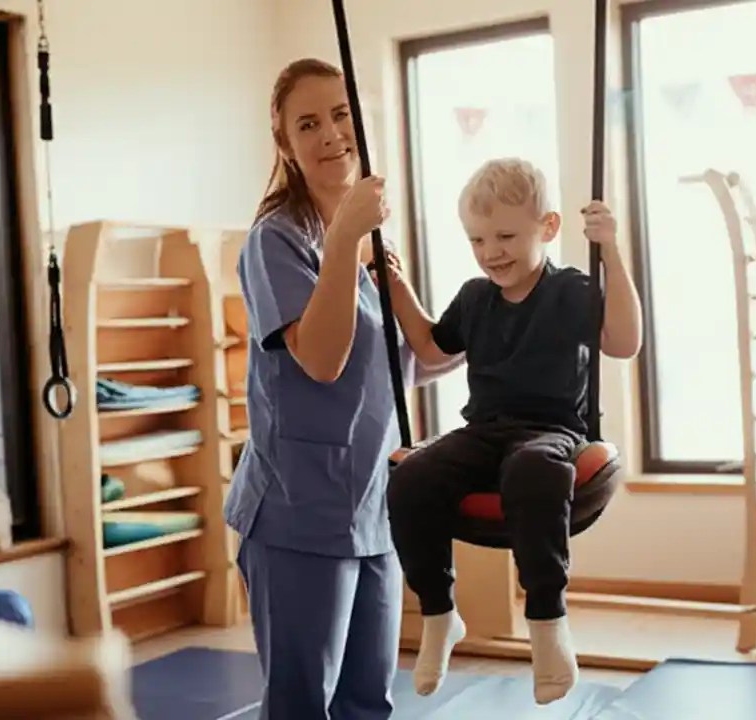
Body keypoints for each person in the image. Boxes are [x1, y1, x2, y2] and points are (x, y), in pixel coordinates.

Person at [224, 58, 460, 719]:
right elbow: (323, 360)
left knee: (367, 702)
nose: (329, 134)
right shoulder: (275, 241)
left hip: (373, 510)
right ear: (286, 146)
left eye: (341, 115)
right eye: (308, 124)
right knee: (304, 705)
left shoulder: (373, 244)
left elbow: (427, 357)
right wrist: (346, 238)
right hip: (297, 512)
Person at [383, 157, 643, 704]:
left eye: (505, 235)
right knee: (412, 474)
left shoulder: (569, 290)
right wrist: (396, 283)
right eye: (477, 239)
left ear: (547, 228)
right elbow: (432, 346)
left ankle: (547, 626)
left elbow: (623, 341)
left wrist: (611, 249)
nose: (490, 252)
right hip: (485, 431)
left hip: (551, 431)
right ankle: (439, 613)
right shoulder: (476, 298)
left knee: (533, 468)